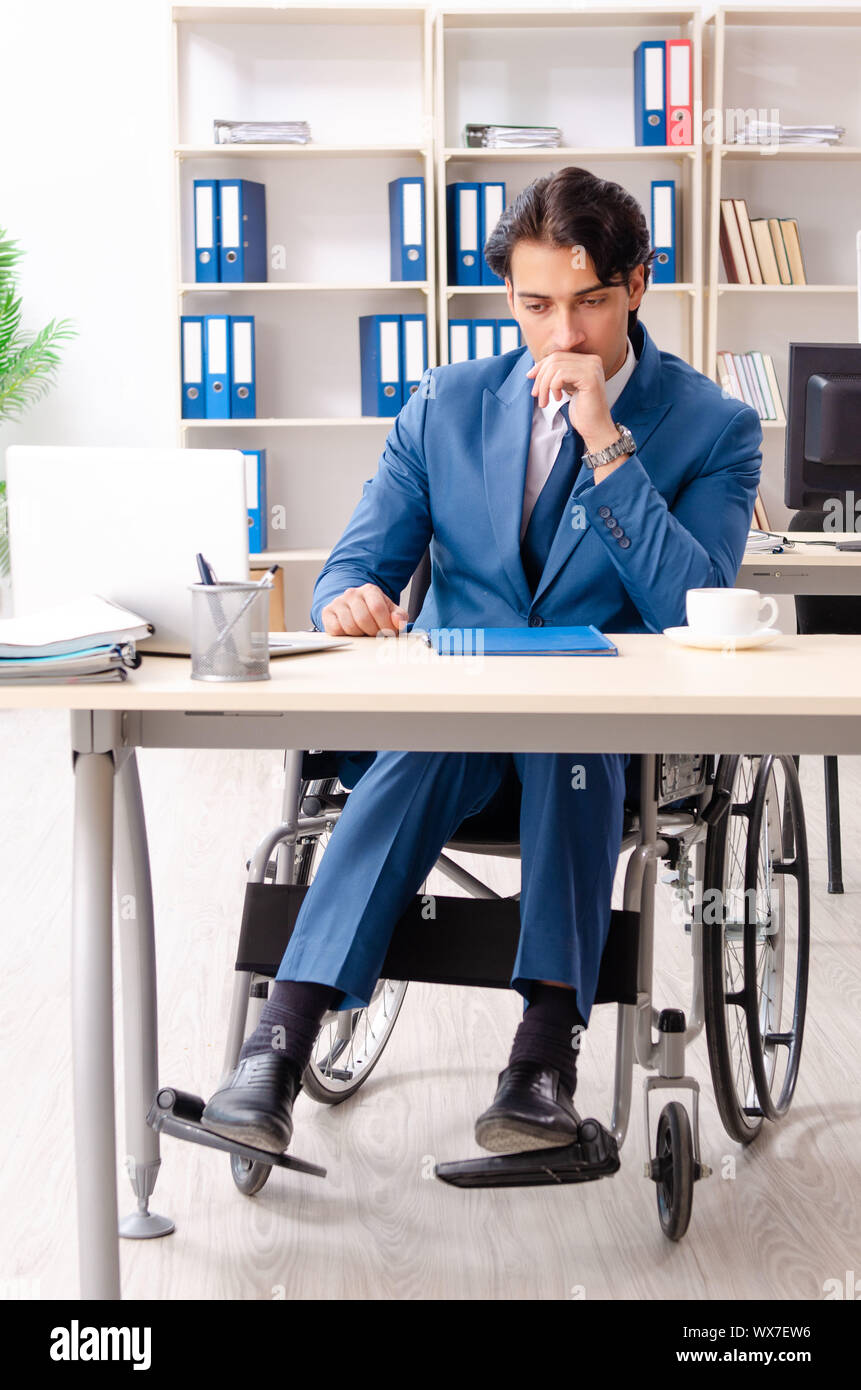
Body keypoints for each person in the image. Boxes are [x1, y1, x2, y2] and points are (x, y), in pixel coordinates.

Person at [202, 166, 762, 1157]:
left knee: (572, 738)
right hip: (448, 728)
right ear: (509, 296)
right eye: (537, 304)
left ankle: (541, 1061)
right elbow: (355, 562)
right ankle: (277, 1046)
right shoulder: (445, 404)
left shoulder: (714, 427)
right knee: (426, 740)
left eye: (589, 302)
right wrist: (352, 596)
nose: (563, 333)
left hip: (601, 747)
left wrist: (604, 444)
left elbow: (695, 609)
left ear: (636, 286)